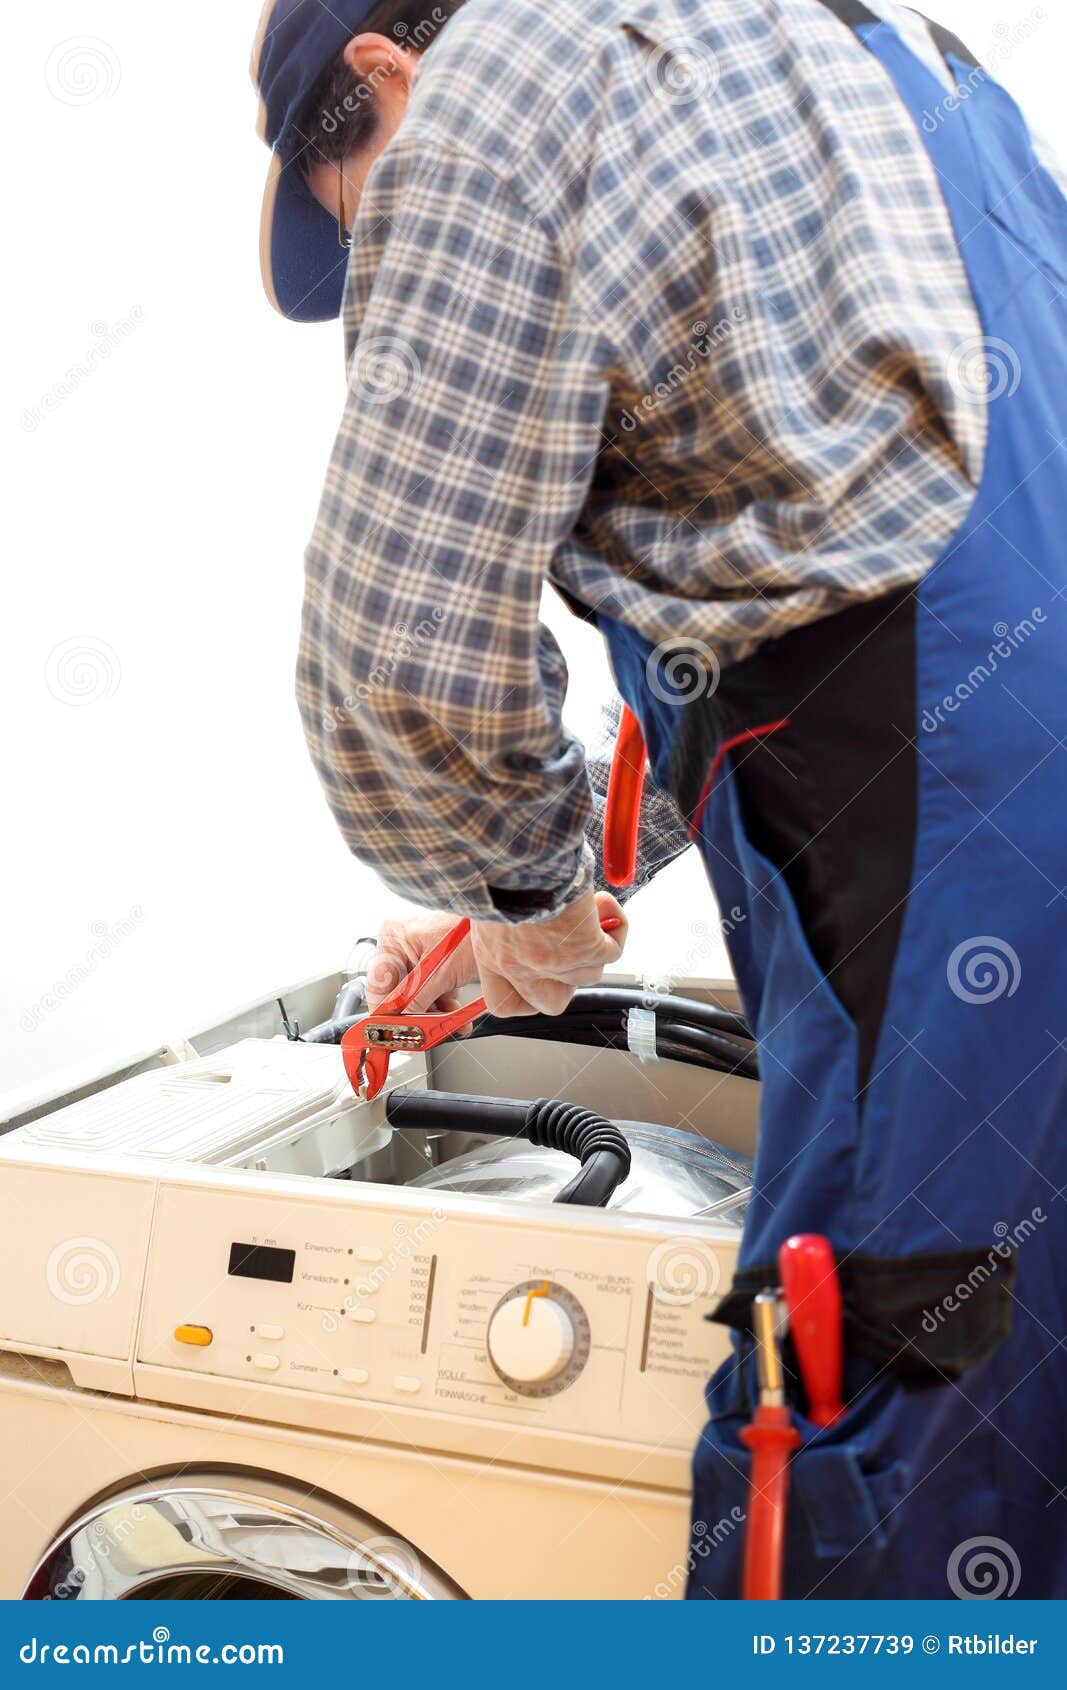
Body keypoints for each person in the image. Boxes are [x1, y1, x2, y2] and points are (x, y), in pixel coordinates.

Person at [253, 0, 1067, 1597]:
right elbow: (814, 576)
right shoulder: (898, 56)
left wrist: (524, 895)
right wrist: (530, 889)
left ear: (381, 74)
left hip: (959, 850)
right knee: (1019, 1435)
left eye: (366, 226)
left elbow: (398, 654)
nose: (389, 279)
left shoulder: (514, 67)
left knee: (863, 1413)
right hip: (991, 800)